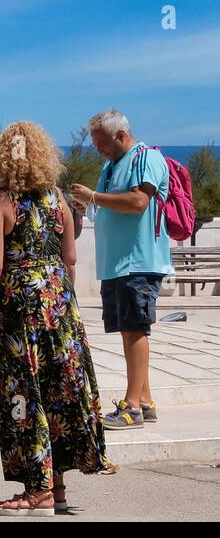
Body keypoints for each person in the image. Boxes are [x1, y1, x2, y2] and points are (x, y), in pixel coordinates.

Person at [0, 121, 108, 516]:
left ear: (1, 159)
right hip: (60, 306)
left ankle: (38, 492)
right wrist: (64, 304)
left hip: (19, 310)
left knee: (25, 391)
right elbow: (70, 259)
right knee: (58, 389)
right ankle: (58, 485)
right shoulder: (57, 200)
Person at [70, 108, 172, 431]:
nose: (98, 148)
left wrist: (94, 196)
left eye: (102, 143)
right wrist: (88, 203)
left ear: (121, 136)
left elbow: (139, 201)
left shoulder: (146, 159)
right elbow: (107, 203)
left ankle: (132, 407)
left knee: (136, 328)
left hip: (139, 261)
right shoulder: (110, 165)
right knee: (129, 329)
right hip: (117, 264)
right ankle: (145, 399)